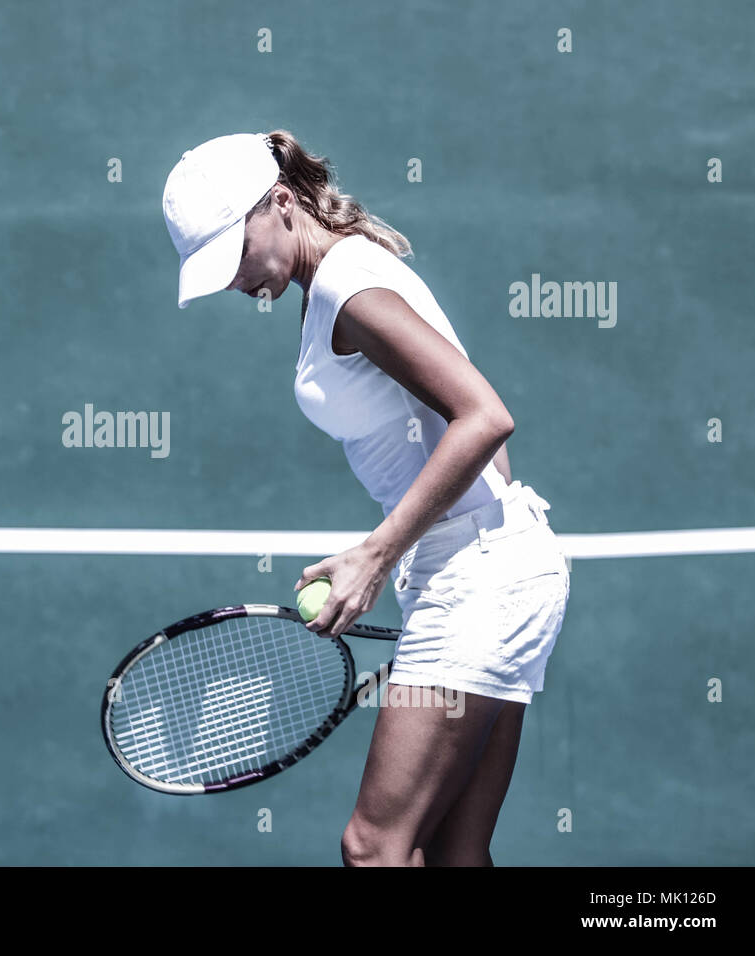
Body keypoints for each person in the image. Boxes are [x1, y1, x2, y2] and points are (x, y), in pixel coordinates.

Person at [161, 131, 570, 866]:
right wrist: (434, 562)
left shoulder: (352, 288)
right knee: (455, 854)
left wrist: (381, 555)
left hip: (481, 578)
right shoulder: (342, 279)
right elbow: (472, 435)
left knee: (374, 848)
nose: (233, 280)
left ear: (281, 204)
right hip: (489, 567)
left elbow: (484, 416)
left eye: (235, 254)